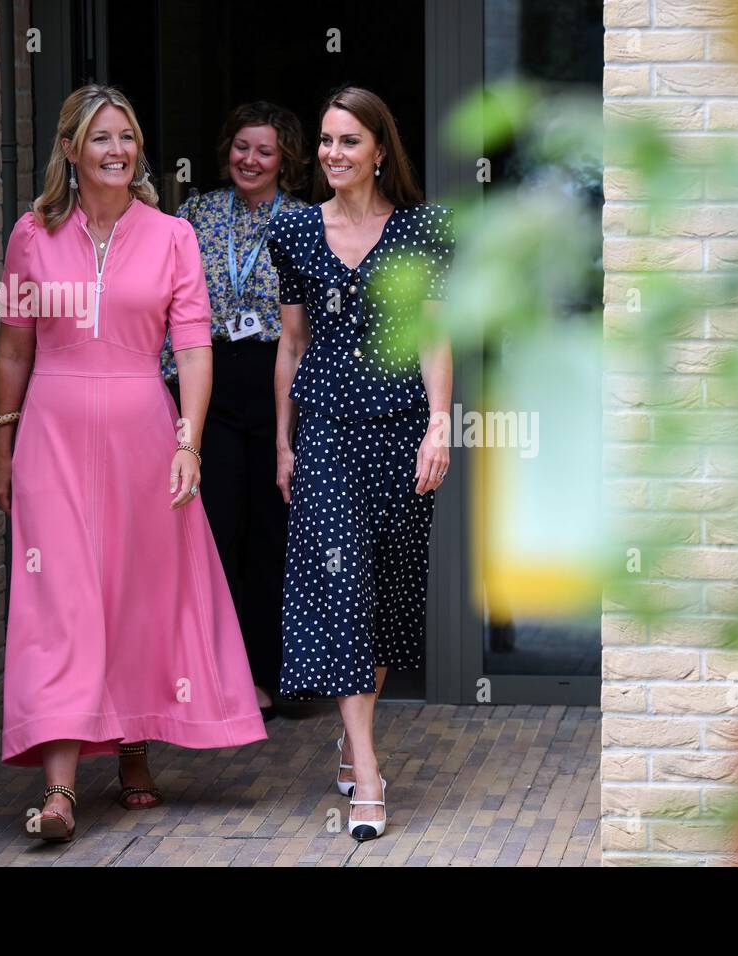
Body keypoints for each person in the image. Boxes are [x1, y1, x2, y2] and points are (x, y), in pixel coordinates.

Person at [0, 84, 266, 843]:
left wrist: (188, 441)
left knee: (136, 593)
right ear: (71, 151)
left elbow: (195, 348)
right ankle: (59, 793)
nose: (119, 150)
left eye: (128, 137)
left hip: (146, 436)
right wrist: (1, 445)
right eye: (103, 138)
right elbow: (14, 346)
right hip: (52, 438)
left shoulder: (173, 235)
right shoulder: (31, 236)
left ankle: (136, 742)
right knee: (62, 604)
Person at [268, 86, 454, 841]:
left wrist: (439, 424)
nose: (332, 154)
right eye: (325, 140)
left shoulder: (421, 230)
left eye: (349, 141)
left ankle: (352, 735)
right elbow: (291, 345)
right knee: (341, 590)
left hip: (401, 428)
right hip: (325, 436)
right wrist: (283, 441)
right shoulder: (294, 233)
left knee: (385, 591)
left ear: (381, 150)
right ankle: (369, 774)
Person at [158, 102, 310, 721]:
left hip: (278, 381)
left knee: (274, 535)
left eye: (264, 151)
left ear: (286, 161)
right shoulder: (194, 213)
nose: (250, 160)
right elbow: (167, 298)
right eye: (242, 147)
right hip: (211, 384)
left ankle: (277, 676)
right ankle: (216, 677)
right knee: (216, 532)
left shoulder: (304, 221)